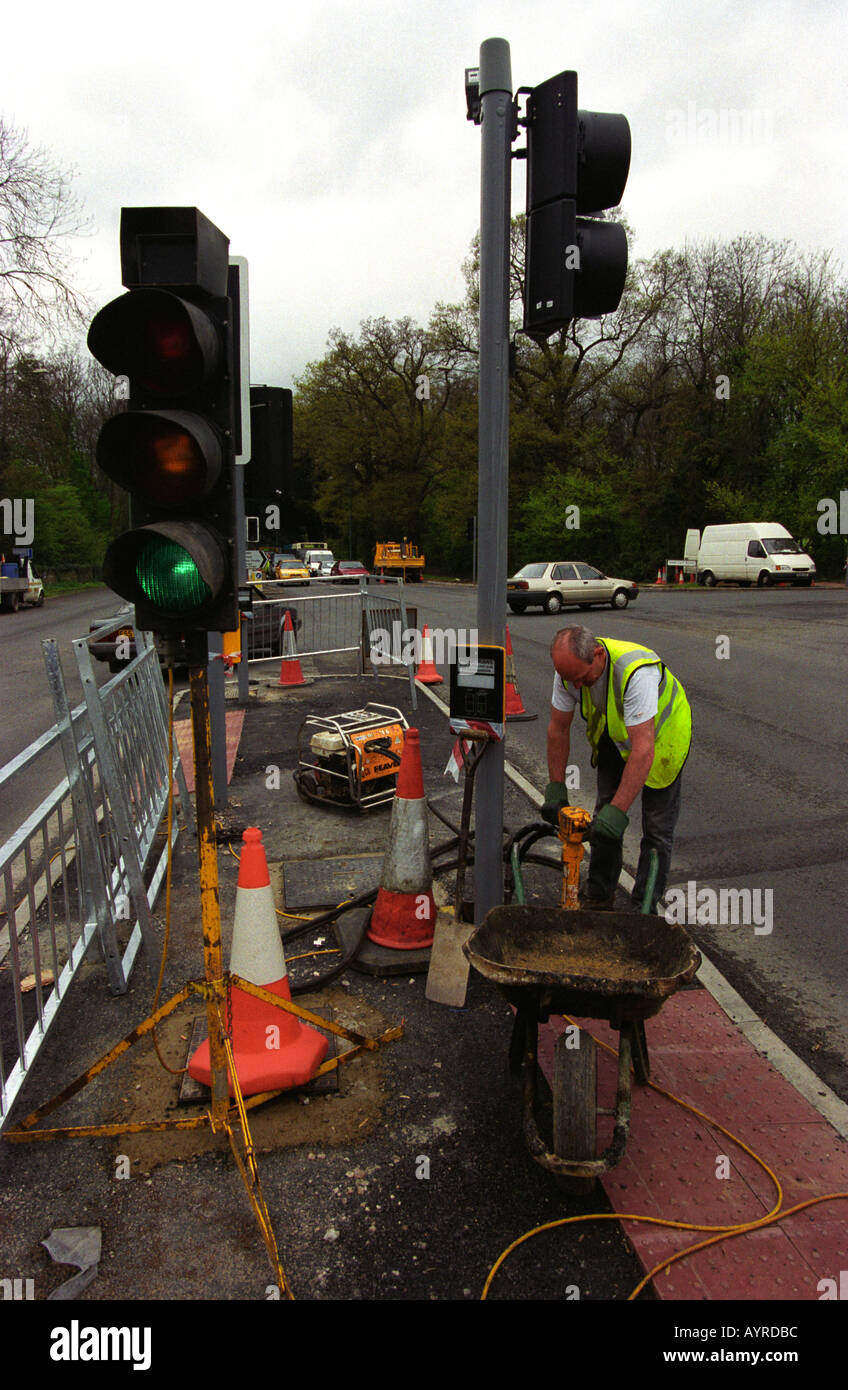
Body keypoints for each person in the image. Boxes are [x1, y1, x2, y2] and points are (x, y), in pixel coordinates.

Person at [543, 625, 692, 912]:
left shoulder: (637, 673)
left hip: (663, 740)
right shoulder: (569, 674)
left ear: (598, 655)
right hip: (618, 734)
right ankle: (599, 897)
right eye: (569, 680)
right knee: (604, 818)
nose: (575, 687)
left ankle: (643, 912)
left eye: (581, 679)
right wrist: (556, 789)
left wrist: (619, 810)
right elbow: (558, 729)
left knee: (657, 830)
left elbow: (643, 749)